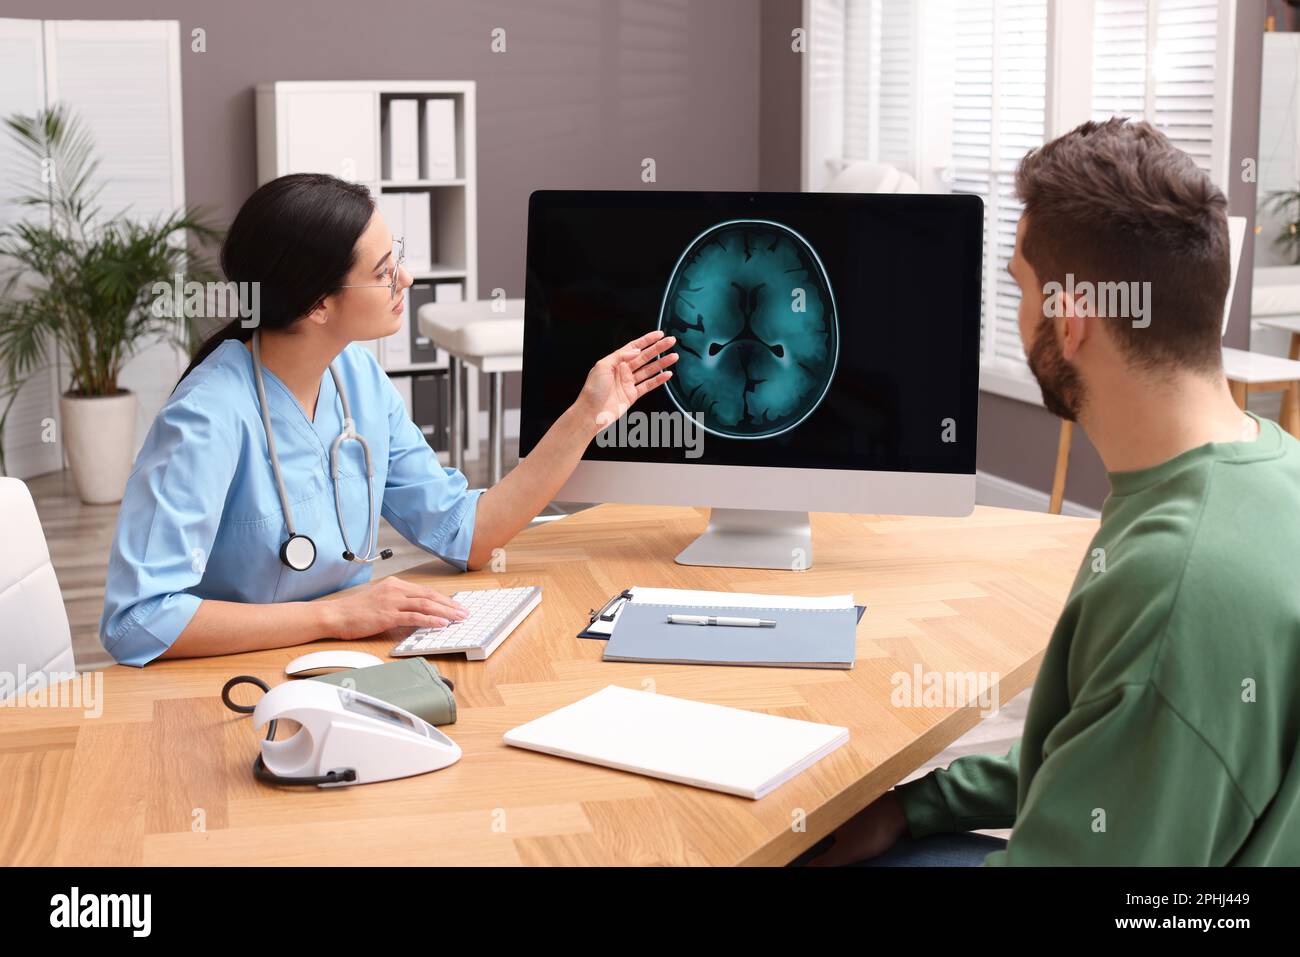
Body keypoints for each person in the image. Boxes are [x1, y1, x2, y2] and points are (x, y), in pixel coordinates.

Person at [810, 118, 1300, 866]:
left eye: (1021, 287)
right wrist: (918, 804)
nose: (1018, 311)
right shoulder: (1273, 469)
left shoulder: (1174, 587)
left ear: (1070, 322)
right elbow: (1120, 749)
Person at [100, 173, 677, 666]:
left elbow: (466, 535)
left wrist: (586, 414)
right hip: (233, 682)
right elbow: (138, 622)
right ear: (317, 304)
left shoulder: (357, 379)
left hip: (343, 660)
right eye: (383, 270)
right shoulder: (207, 417)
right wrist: (333, 615)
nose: (406, 278)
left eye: (395, 255)